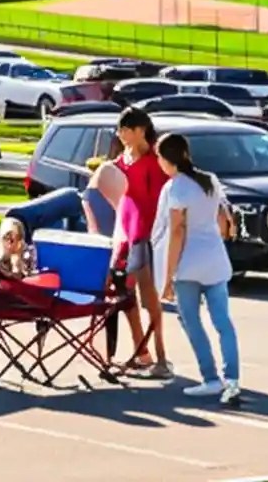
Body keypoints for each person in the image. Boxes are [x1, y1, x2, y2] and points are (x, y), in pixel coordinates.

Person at [152, 133, 241, 405]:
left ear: (167, 159)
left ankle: (210, 379)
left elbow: (176, 232)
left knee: (192, 322)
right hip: (215, 260)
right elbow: (223, 220)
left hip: (188, 265)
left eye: (158, 157)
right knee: (223, 322)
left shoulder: (175, 188)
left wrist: (167, 278)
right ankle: (232, 379)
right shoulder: (209, 180)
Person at [113, 107, 172, 379]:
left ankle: (161, 357)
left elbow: (161, 203)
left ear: (140, 131)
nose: (121, 134)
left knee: (149, 297)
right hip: (123, 234)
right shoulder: (120, 160)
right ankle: (141, 350)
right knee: (124, 295)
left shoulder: (153, 163)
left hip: (145, 236)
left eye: (126, 129)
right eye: (120, 129)